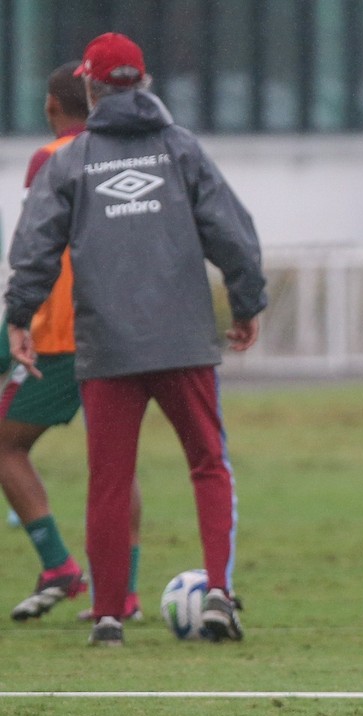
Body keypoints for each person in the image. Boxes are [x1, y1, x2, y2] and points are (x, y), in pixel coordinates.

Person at [5, 32, 267, 646]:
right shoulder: (181, 149)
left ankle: (106, 617)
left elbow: (35, 245)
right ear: (144, 83)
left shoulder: (70, 161)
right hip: (184, 343)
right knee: (208, 467)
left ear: (92, 89)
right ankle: (221, 599)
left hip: (108, 348)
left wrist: (20, 315)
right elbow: (231, 230)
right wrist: (248, 301)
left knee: (110, 480)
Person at [3, 61, 144, 624]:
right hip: (126, 330)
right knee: (117, 461)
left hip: (64, 332)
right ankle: (126, 594)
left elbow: (35, 244)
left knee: (5, 445)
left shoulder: (53, 156)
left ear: (52, 107)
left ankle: (59, 565)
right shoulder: (135, 154)